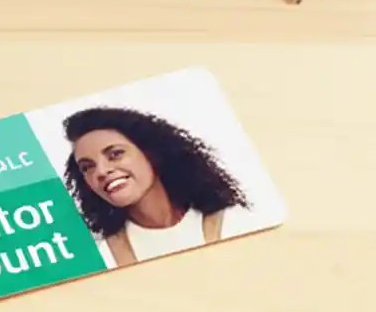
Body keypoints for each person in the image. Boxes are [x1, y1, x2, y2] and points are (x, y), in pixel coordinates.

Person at [60, 105, 252, 266]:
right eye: (87, 167)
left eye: (115, 154)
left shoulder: (232, 222)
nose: (101, 171)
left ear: (152, 153)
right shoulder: (102, 255)